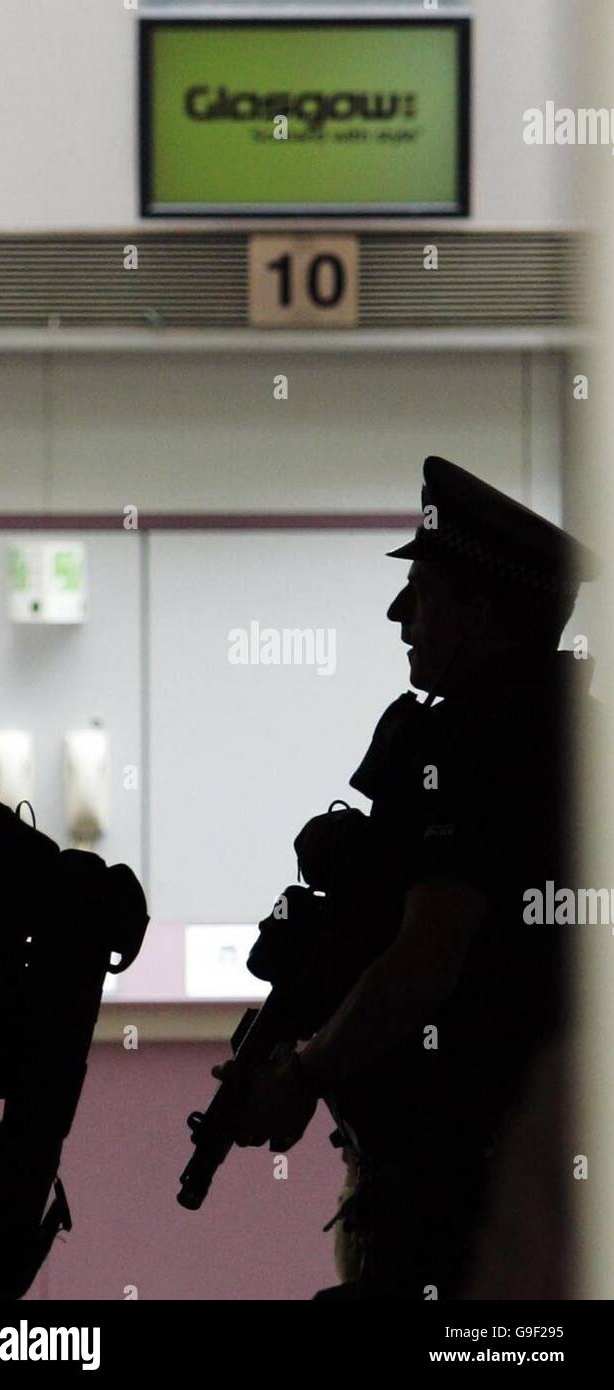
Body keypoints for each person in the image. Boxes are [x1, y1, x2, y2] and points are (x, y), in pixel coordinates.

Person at [215, 455, 599, 1300]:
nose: (398, 615)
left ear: (484, 610)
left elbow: (427, 958)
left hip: (464, 1202)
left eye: (420, 592)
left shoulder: (470, 744)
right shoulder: (578, 736)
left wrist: (302, 1075)